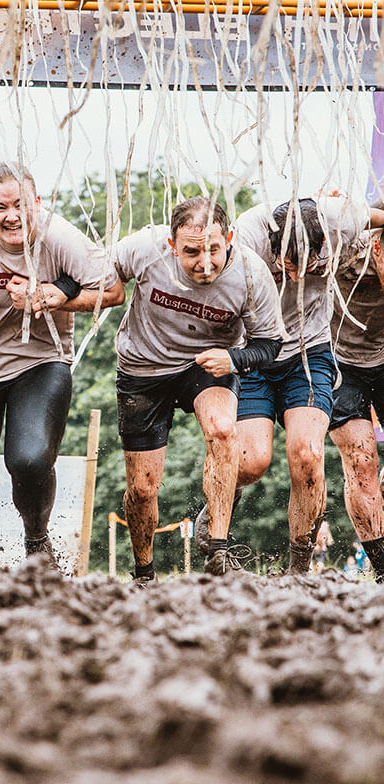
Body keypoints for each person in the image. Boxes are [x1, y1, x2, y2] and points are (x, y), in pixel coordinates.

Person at [0, 162, 124, 573]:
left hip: (39, 359)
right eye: (0, 208)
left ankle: (36, 539)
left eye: (20, 205)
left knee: (29, 459)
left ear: (36, 203)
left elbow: (113, 289)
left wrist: (53, 295)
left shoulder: (61, 238)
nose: (11, 216)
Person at [195, 195, 384, 575]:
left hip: (309, 352)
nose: (298, 276)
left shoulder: (340, 220)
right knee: (251, 462)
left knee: (308, 456)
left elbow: (377, 216)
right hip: (254, 353)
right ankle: (219, 505)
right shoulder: (246, 237)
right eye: (289, 266)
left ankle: (299, 568)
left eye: (311, 264)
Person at [113, 196, 283, 583]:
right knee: (142, 488)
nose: (204, 264)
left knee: (224, 430)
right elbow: (100, 272)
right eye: (191, 252)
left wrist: (234, 360)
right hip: (144, 367)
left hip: (207, 365)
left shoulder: (251, 274)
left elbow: (270, 344)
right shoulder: (144, 248)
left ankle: (218, 551)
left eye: (214, 250)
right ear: (172, 246)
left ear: (231, 240)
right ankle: (144, 571)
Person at [328, 221, 384, 583]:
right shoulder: (343, 249)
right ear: (377, 251)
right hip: (337, 361)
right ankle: (383, 567)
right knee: (361, 462)